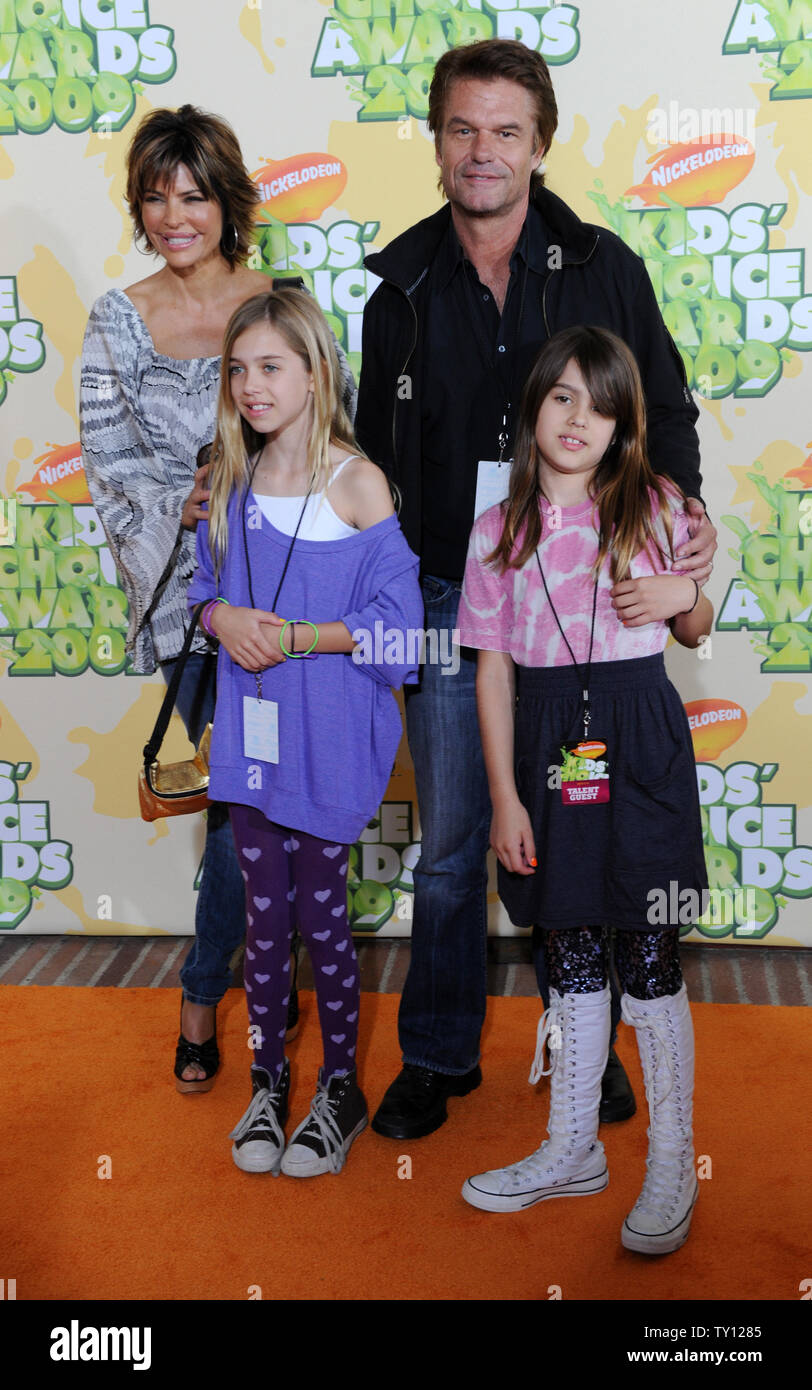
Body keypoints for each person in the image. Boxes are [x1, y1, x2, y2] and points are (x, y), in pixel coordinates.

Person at [355, 38, 717, 1141]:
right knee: (460, 835)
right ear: (435, 141)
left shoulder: (603, 264)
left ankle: (584, 1042)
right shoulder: (399, 286)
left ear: (540, 144)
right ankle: (438, 1052)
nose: (482, 151)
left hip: (592, 601)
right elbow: (369, 461)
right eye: (462, 128)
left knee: (585, 835)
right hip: (451, 600)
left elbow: (666, 414)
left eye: (505, 131)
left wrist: (673, 547)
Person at [80, 106, 357, 1093]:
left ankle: (241, 989)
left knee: (257, 810)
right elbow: (108, 467)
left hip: (288, 602)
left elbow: (335, 433)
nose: (173, 214)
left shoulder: (279, 303)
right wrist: (184, 501)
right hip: (191, 611)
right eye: (155, 194)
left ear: (227, 199)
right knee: (243, 808)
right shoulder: (119, 316)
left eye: (191, 192)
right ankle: (212, 992)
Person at [456, 324, 711, 1255]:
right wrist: (505, 799)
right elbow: (489, 673)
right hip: (547, 747)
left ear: (624, 424)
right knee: (564, 941)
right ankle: (572, 1149)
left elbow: (700, 622)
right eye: (562, 396)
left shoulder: (659, 505)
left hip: (641, 741)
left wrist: (681, 601)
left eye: (600, 404)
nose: (578, 418)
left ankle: (673, 1157)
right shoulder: (498, 527)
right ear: (533, 405)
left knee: (646, 952)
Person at [187, 288, 423, 1175]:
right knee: (263, 917)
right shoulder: (229, 484)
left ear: (317, 371)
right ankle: (266, 1080)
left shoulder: (357, 484)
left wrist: (294, 636)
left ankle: (339, 1090)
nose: (252, 385)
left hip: (326, 747)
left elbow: (400, 631)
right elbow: (195, 600)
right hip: (251, 750)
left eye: (271, 366)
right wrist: (224, 621)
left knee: (324, 926)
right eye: (238, 369)